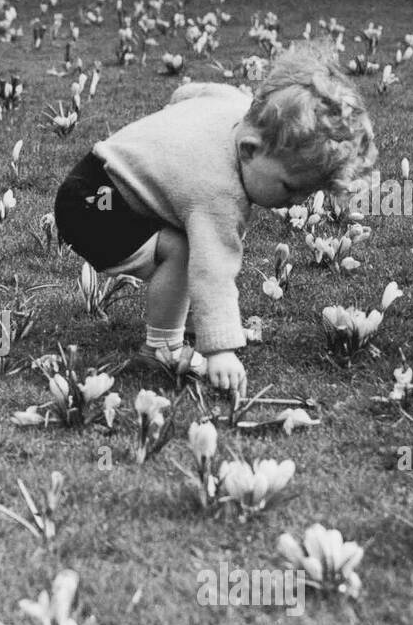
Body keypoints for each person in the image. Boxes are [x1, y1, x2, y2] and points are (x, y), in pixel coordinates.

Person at [53, 42, 377, 395]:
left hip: (95, 176)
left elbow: (190, 92)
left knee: (184, 239)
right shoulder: (218, 194)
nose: (296, 200)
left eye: (307, 193)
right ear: (250, 149)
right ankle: (162, 347)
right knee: (185, 252)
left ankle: (187, 318)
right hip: (92, 207)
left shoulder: (236, 103)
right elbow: (213, 274)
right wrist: (220, 349)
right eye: (290, 187)